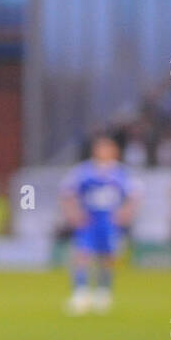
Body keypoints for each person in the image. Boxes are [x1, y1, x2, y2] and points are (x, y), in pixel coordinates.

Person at [59, 134, 138, 315]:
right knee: (81, 255)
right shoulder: (83, 172)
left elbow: (134, 195)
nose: (103, 151)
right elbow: (66, 193)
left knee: (108, 257)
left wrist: (125, 212)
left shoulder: (120, 173)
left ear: (114, 152)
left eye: (107, 148)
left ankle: (103, 292)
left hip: (109, 221)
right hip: (89, 220)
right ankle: (81, 293)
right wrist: (74, 213)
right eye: (100, 148)